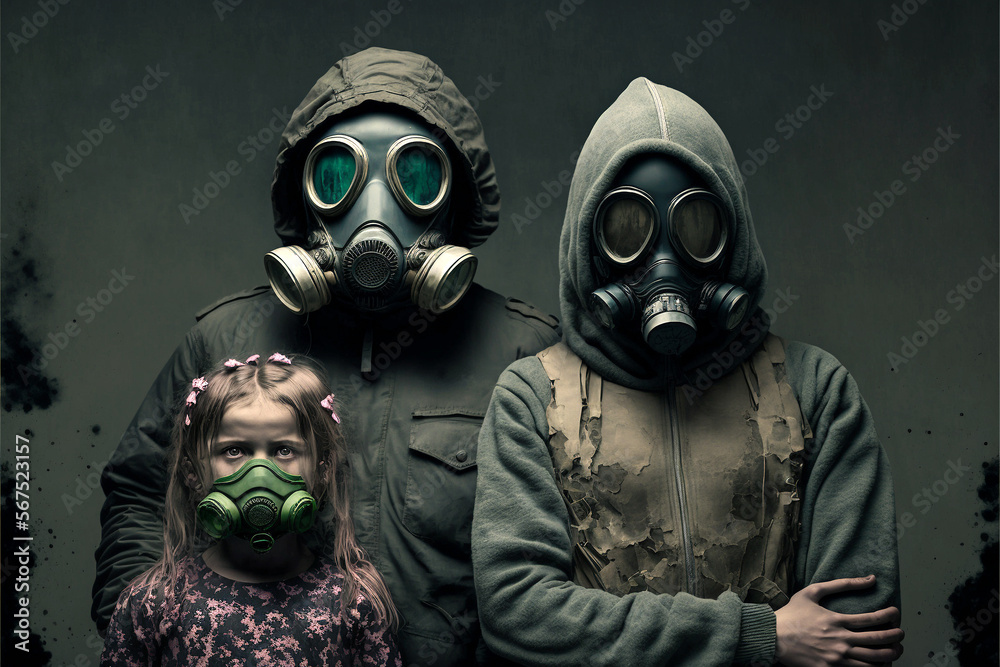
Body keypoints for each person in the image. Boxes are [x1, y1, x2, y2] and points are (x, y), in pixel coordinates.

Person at [92, 48, 560, 665]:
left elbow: (571, 551)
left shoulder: (523, 353)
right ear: (303, 196)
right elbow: (139, 495)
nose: (373, 210)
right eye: (338, 175)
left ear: (455, 202)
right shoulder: (226, 340)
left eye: (414, 178)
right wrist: (150, 630)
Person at [472, 79, 905, 665]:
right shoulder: (532, 398)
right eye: (628, 230)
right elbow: (520, 613)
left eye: (696, 226)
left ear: (734, 237)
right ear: (588, 245)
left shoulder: (814, 391)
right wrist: (760, 639)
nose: (664, 263)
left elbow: (856, 633)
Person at [99, 352, 401, 666]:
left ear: (322, 469)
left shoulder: (354, 602)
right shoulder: (154, 602)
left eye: (283, 450)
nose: (260, 473)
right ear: (192, 471)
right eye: (234, 450)